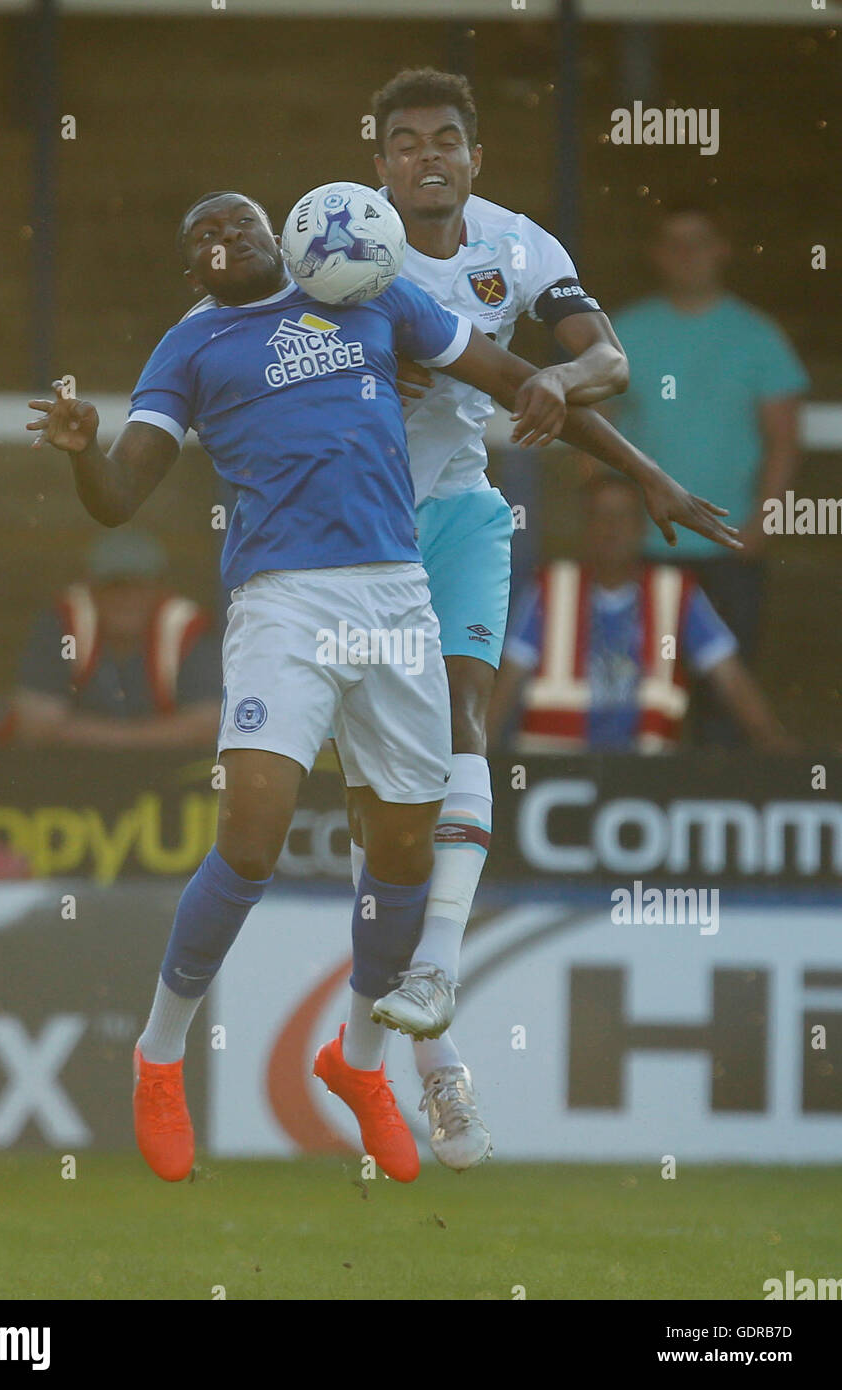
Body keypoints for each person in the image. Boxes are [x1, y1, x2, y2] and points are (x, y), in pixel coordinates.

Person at [27, 190, 736, 1185]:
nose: (220, 238)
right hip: (282, 604)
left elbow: (517, 379)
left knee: (402, 851)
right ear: (191, 272)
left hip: (396, 595)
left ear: (280, 235)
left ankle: (359, 1062)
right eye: (199, 237)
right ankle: (158, 1052)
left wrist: (645, 471)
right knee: (253, 832)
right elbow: (118, 497)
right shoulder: (186, 351)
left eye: (236, 223)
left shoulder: (371, 295)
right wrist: (80, 455)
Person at [352, 66, 626, 1168]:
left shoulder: (516, 248)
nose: (426, 156)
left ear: (474, 158)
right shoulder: (340, 238)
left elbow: (605, 355)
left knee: (468, 726)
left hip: (461, 519)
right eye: (405, 139)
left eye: (445, 140)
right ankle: (429, 1061)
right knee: (386, 823)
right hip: (350, 540)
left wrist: (567, 385)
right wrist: (375, 372)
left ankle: (439, 976)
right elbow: (281, 366)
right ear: (377, 162)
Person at [611, 203, 809, 745]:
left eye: (698, 241)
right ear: (655, 254)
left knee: (726, 703)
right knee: (640, 698)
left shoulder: (758, 336)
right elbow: (594, 432)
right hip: (645, 549)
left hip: (729, 549)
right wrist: (613, 527)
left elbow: (785, 439)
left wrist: (762, 526)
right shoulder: (624, 331)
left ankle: (714, 816)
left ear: (722, 249)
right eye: (673, 242)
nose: (686, 255)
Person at [489, 474, 792, 754]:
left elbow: (730, 678)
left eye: (622, 517)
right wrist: (473, 762)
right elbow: (506, 685)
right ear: (586, 527)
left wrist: (778, 748)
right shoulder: (552, 588)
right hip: (557, 773)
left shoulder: (674, 592)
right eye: (601, 516)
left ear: (643, 527)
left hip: (646, 781)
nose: (611, 528)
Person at [0, 529, 221, 749]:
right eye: (113, 586)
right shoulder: (63, 622)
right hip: (74, 769)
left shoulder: (186, 628)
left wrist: (108, 739)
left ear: (159, 590)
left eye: (138, 586)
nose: (126, 599)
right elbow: (35, 726)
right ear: (90, 589)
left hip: (156, 768)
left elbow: (208, 726)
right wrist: (150, 736)